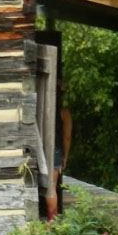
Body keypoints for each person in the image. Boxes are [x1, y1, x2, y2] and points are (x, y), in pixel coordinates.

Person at [45, 86, 72, 221]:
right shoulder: (64, 112)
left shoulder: (44, 107)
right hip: (55, 150)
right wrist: (65, 156)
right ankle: (51, 221)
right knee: (52, 186)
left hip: (39, 148)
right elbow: (67, 136)